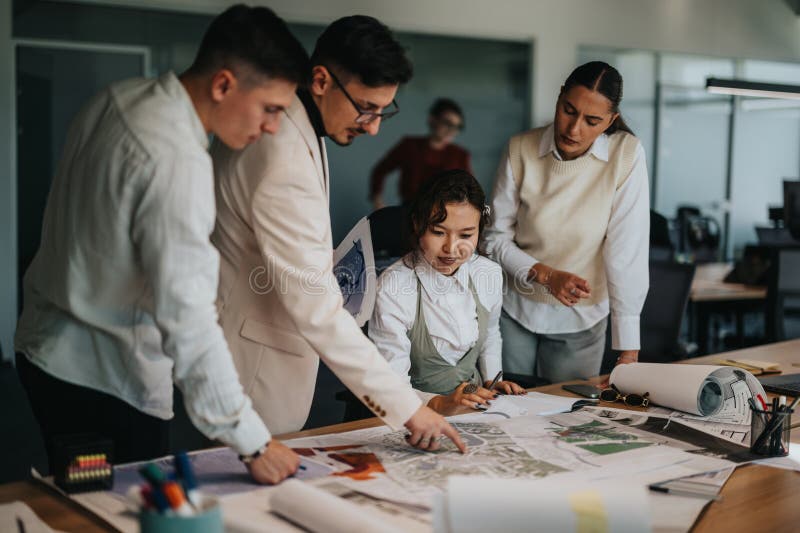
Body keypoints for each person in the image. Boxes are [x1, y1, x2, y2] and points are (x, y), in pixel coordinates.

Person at [14, 4, 309, 484]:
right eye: (270, 109)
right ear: (223, 85)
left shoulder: (118, 98)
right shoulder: (175, 160)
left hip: (45, 350)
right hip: (107, 379)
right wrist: (252, 439)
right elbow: (187, 315)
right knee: (126, 514)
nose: (273, 127)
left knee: (78, 504)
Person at [210, 16, 466, 466]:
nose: (372, 128)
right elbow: (315, 307)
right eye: (366, 108)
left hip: (265, 336)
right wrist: (409, 409)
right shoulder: (281, 150)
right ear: (322, 80)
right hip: (253, 365)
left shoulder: (303, 123)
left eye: (384, 111)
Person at [484, 61, 649, 384]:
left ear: (611, 121)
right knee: (504, 410)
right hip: (515, 309)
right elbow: (493, 240)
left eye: (592, 121)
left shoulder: (626, 155)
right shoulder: (521, 148)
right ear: (559, 98)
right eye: (568, 110)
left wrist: (629, 348)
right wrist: (545, 275)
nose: (574, 129)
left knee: (566, 416)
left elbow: (626, 250)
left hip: (582, 319)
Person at [368, 170, 526, 416]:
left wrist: (490, 383)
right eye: (438, 232)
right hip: (414, 414)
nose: (451, 249)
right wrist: (442, 404)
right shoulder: (394, 287)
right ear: (418, 225)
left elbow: (491, 333)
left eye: (466, 235)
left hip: (474, 412)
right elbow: (392, 387)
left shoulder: (489, 274)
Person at [369, 98, 472, 209]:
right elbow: (380, 171)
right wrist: (377, 200)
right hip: (409, 211)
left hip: (444, 216)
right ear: (432, 120)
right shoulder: (409, 146)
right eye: (447, 123)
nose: (451, 130)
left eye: (457, 127)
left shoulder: (460, 155)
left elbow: (470, 189)